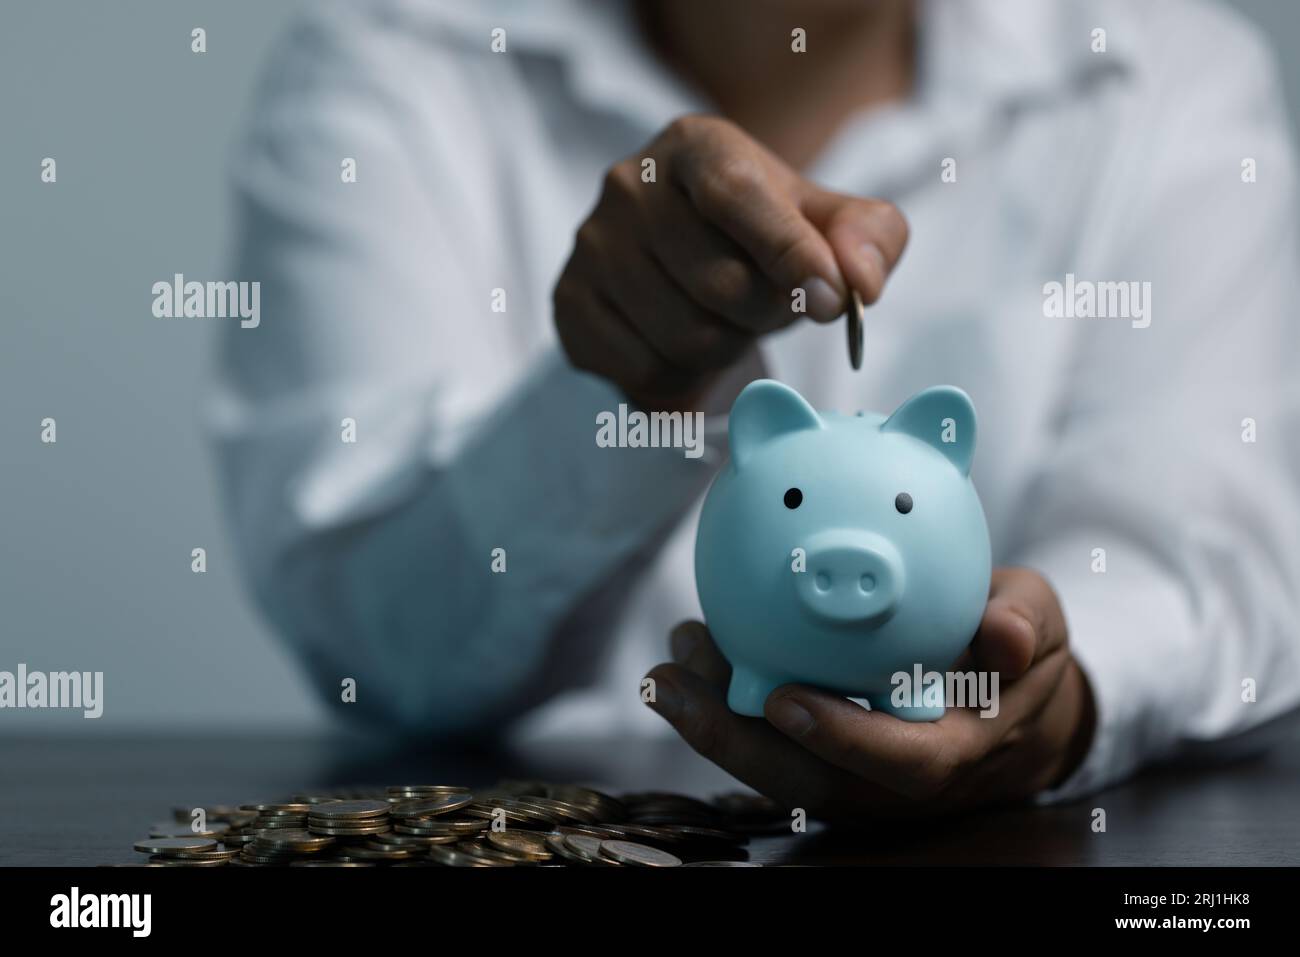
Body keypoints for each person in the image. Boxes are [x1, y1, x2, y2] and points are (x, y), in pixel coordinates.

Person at [211, 0, 1300, 819]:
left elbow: (1210, 544)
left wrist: (1062, 695)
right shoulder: (388, 59)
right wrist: (626, 394)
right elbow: (375, 638)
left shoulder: (1169, 73)